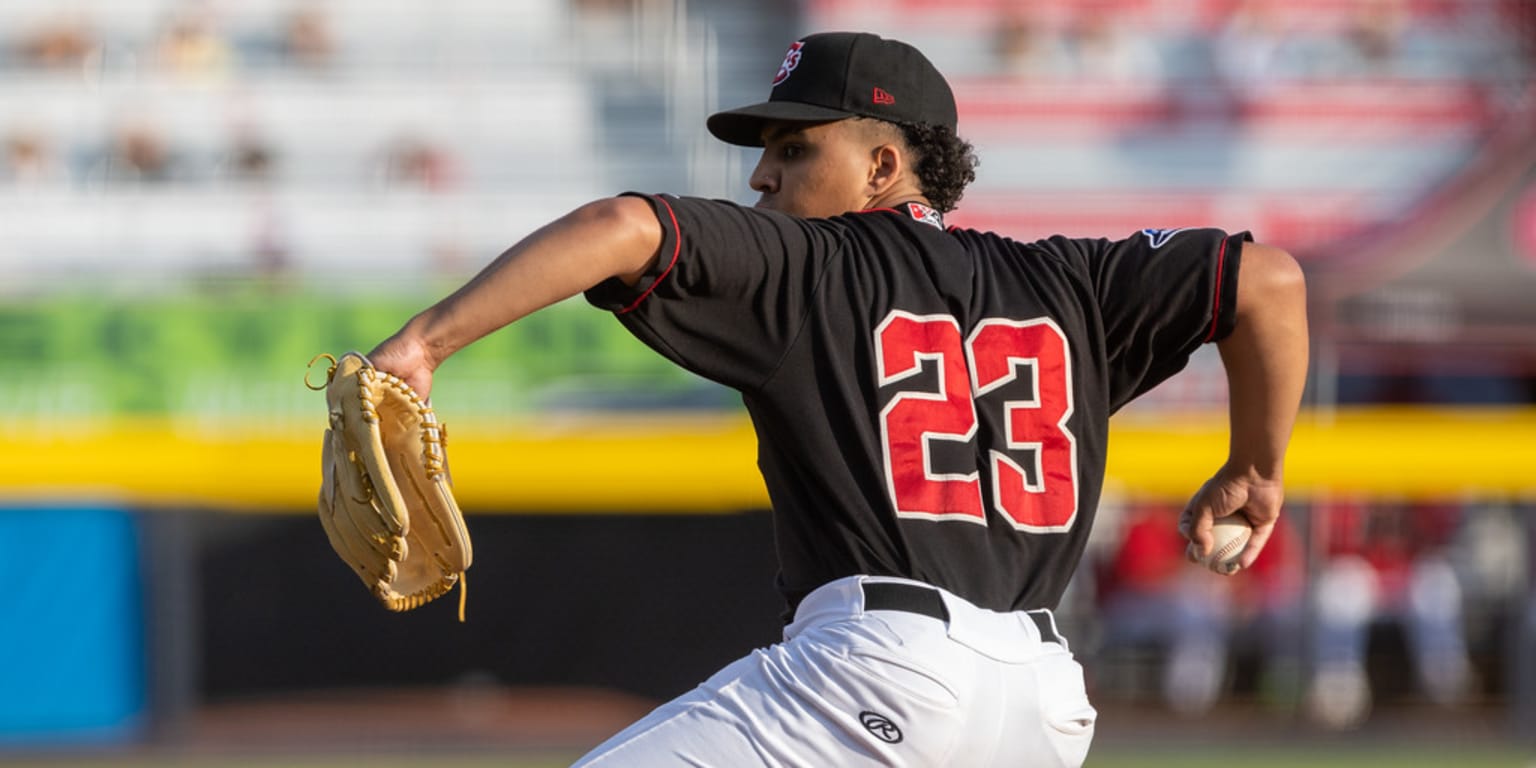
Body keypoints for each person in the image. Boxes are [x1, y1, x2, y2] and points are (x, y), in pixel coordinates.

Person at [365, 31, 1309, 767]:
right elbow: (1266, 281)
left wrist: (426, 342)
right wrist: (1257, 469)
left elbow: (622, 226)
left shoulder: (811, 264)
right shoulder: (1069, 281)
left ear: (882, 167)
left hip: (878, 671)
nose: (762, 173)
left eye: (793, 145)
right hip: (1047, 704)